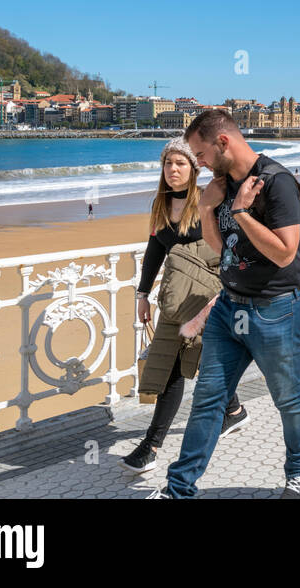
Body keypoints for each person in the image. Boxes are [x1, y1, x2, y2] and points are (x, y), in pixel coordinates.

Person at [151, 109, 300, 499]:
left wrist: (241, 211)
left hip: (276, 309)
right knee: (208, 398)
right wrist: (209, 208)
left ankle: (299, 473)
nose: (199, 163)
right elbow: (222, 250)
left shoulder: (276, 182)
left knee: (288, 398)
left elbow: (284, 254)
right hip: (228, 308)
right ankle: (179, 488)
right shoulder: (221, 186)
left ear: (223, 142)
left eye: (201, 154)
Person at [123, 138, 248, 475]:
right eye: (168, 164)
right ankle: (155, 443)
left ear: (193, 169)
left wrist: (224, 293)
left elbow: (230, 247)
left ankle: (227, 413)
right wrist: (142, 295)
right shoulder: (161, 206)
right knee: (175, 366)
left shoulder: (209, 201)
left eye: (180, 164)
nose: (173, 170)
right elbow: (154, 252)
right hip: (177, 300)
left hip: (210, 299)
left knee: (203, 364)